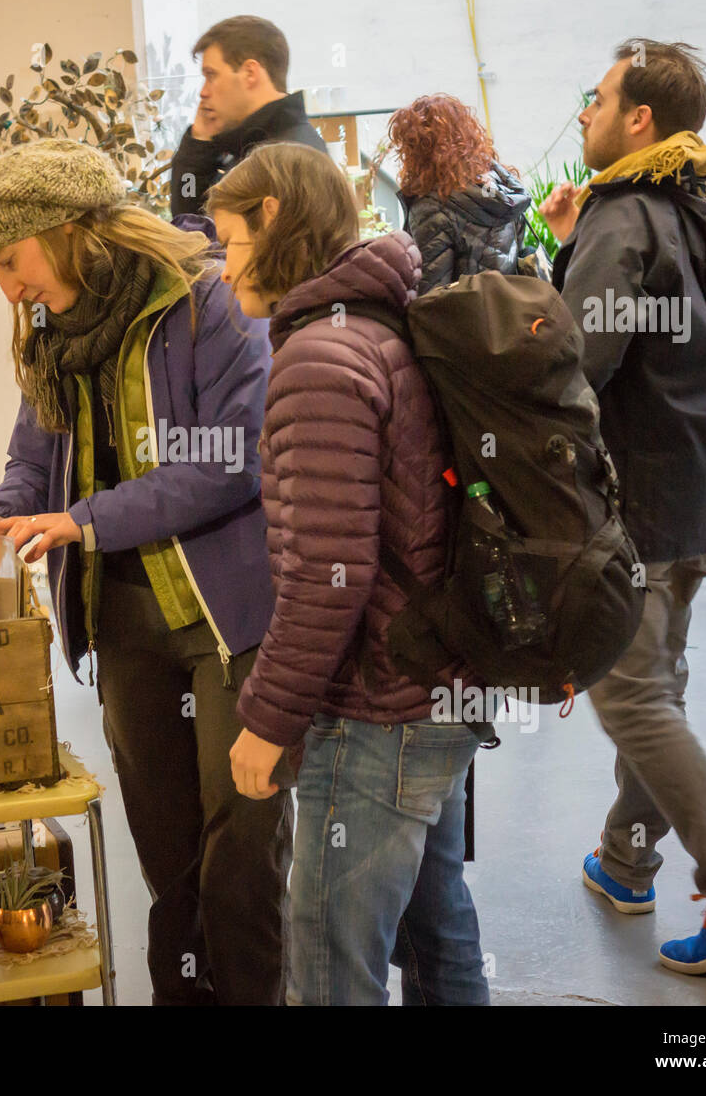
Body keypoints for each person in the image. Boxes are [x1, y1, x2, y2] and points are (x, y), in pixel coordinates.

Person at [0, 138, 293, 1005]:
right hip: (125, 628)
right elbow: (35, 457)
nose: (7, 286)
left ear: (65, 231)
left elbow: (231, 464)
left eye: (10, 259)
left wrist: (84, 519)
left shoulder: (204, 300)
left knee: (241, 860)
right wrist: (4, 507)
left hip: (227, 623)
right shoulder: (53, 332)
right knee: (169, 862)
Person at [209, 142, 487, 1007]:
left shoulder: (318, 360)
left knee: (331, 968)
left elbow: (331, 571)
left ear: (271, 219)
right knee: (437, 932)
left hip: (378, 708)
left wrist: (266, 717)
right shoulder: (374, 322)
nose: (222, 271)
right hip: (436, 687)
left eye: (227, 243)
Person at [541, 38, 706, 974]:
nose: (585, 114)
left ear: (638, 118)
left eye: (597, 98)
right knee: (660, 680)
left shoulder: (628, 213)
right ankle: (624, 860)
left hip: (633, 496)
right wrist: (577, 244)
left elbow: (580, 362)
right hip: (700, 482)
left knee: (634, 694)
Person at [170, 15, 325, 217]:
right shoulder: (250, 145)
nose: (203, 92)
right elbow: (189, 223)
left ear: (250, 73)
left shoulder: (289, 159)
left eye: (211, 75)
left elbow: (199, 239)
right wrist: (196, 151)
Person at [387, 93, 536, 293]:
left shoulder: (432, 207)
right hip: (509, 313)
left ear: (418, 150)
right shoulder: (499, 189)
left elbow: (434, 297)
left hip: (466, 320)